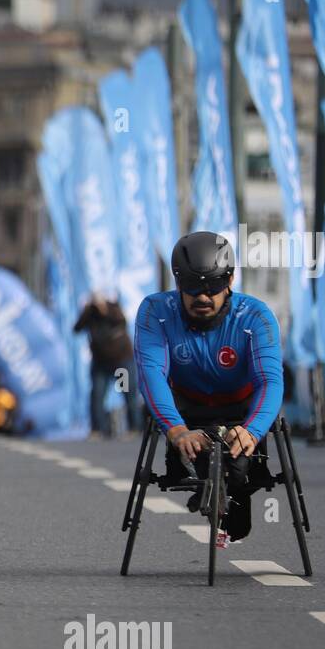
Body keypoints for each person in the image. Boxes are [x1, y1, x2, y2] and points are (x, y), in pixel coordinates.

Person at [134, 231, 283, 545]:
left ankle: (235, 490)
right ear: (177, 284)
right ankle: (199, 474)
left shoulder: (256, 316)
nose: (203, 296)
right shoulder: (154, 311)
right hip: (187, 406)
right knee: (192, 452)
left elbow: (269, 380)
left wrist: (253, 431)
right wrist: (175, 430)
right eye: (191, 286)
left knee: (240, 470)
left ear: (229, 281)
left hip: (241, 406)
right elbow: (151, 375)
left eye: (213, 286)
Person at [74, 292, 137, 437]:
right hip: (101, 364)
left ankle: (133, 428)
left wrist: (105, 309)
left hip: (121, 362)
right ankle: (97, 429)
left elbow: (122, 321)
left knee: (128, 393)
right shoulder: (90, 313)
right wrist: (87, 311)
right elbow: (77, 328)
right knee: (97, 395)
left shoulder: (114, 308)